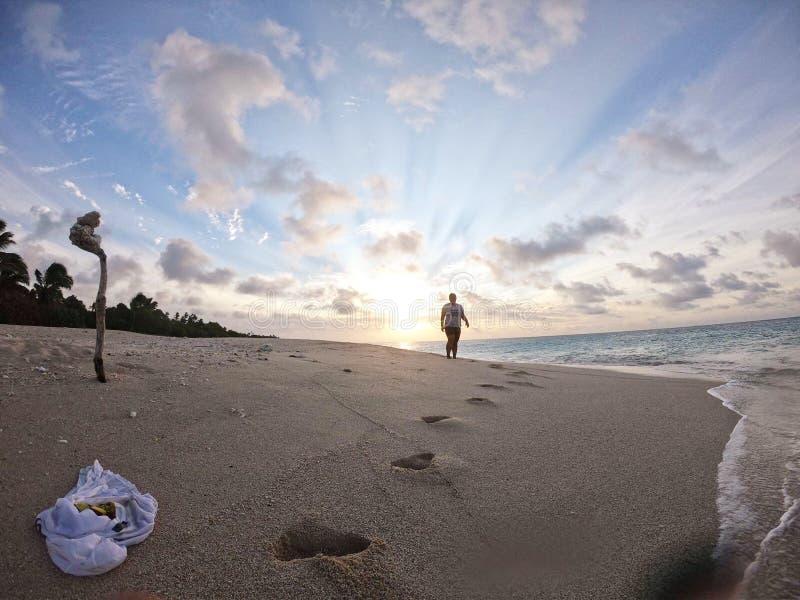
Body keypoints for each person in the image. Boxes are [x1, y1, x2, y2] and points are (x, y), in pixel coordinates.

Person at [440, 293, 469, 359]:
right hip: (448, 326)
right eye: (451, 297)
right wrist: (442, 325)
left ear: (456, 298)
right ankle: (448, 355)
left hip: (457, 326)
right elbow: (442, 316)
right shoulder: (445, 306)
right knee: (451, 339)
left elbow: (462, 315)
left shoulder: (460, 306)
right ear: (449, 298)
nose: (453, 299)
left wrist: (466, 321)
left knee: (455, 341)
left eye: (454, 297)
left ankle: (454, 356)